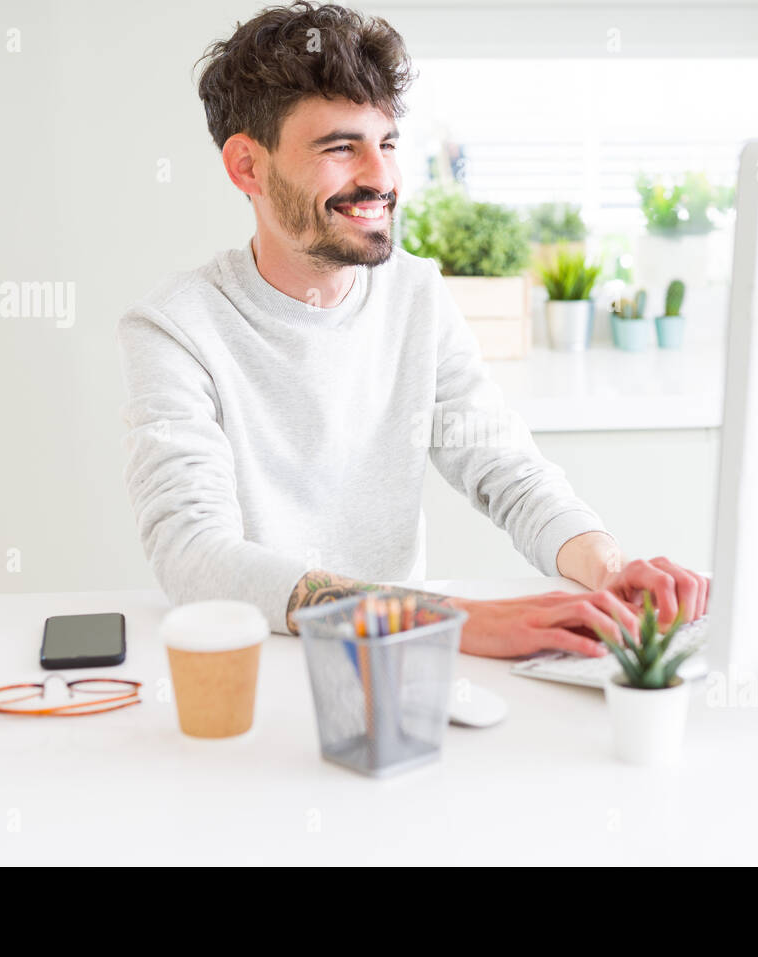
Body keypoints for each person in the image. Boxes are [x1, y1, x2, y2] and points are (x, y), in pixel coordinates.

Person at [116, 1, 709, 658]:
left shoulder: (416, 293)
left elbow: (504, 465)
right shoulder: (176, 327)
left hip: (400, 671)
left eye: (388, 142)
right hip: (260, 665)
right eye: (341, 147)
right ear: (248, 167)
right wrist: (450, 618)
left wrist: (606, 565)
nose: (381, 177)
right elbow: (195, 557)